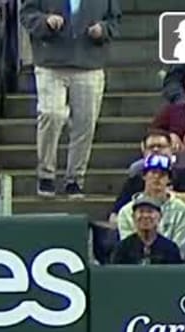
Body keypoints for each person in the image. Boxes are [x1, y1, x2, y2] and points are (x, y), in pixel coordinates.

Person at [19, 0, 120, 197]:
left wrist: (103, 29)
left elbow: (114, 19)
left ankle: (75, 179)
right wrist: (45, 21)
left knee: (85, 123)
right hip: (50, 63)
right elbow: (27, 14)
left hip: (89, 63)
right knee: (51, 114)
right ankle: (46, 174)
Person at [111, 195, 184, 265]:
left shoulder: (170, 248)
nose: (145, 216)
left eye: (150, 211)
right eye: (141, 211)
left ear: (160, 217)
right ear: (133, 217)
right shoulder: (122, 248)